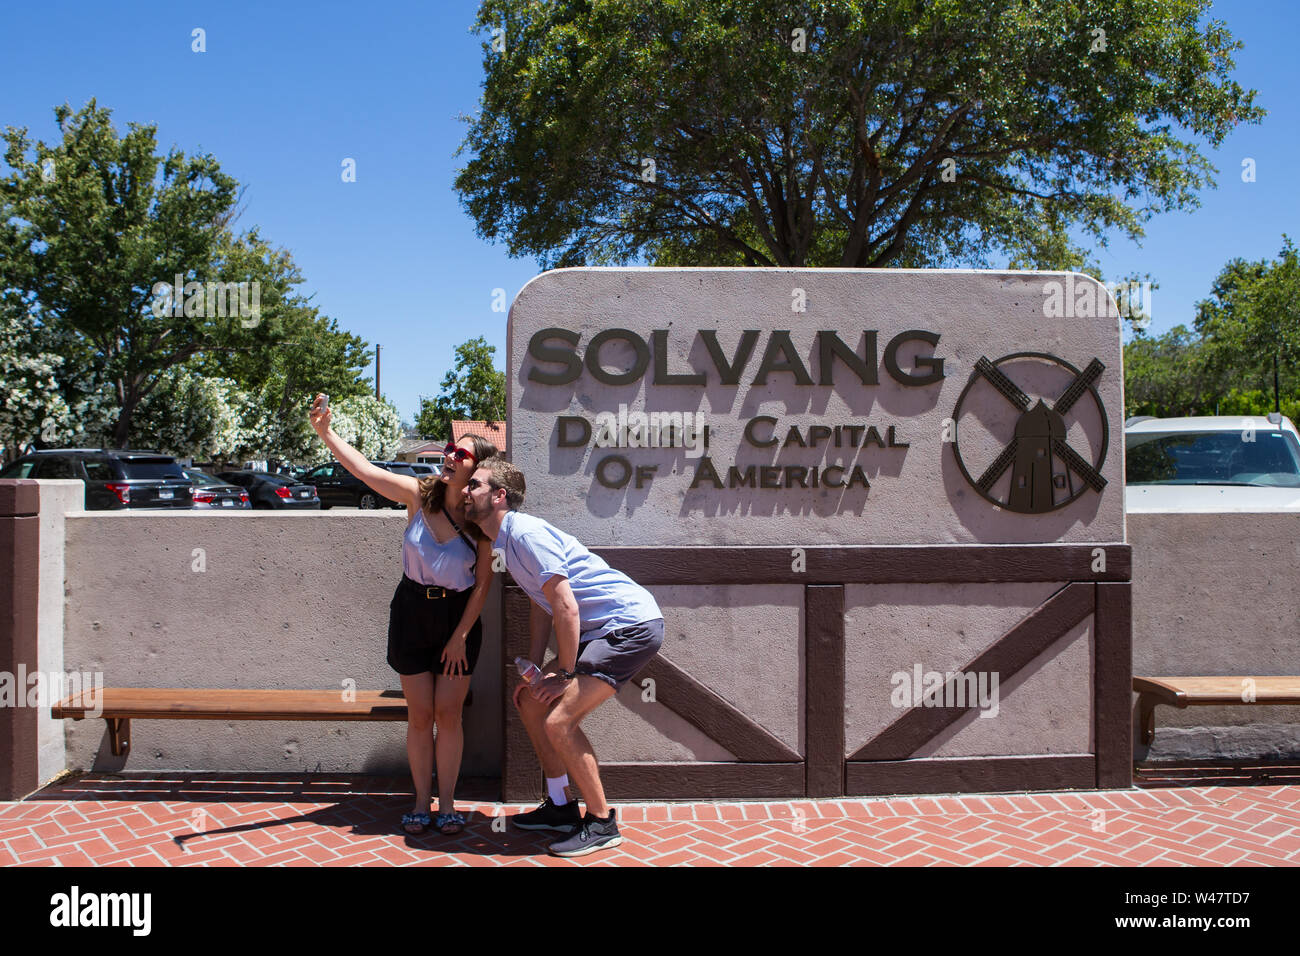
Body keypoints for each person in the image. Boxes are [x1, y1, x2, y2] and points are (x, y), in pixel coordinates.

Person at [309, 395, 496, 835]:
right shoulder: (418, 495)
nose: (450, 456)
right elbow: (363, 471)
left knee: (448, 716)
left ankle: (447, 804)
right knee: (419, 716)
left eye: (461, 454)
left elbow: (483, 582)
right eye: (450, 450)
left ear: (476, 468)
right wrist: (326, 433)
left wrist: (460, 637)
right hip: (411, 612)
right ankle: (419, 802)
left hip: (458, 621)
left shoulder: (481, 518)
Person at [462, 457, 663, 857]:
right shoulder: (505, 539)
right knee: (530, 703)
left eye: (476, 485)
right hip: (600, 631)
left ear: (499, 496)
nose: (466, 491)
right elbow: (543, 604)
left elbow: (567, 607)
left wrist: (566, 673)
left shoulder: (526, 535)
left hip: (628, 627)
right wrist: (536, 670)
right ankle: (560, 807)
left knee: (559, 720)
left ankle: (602, 822)